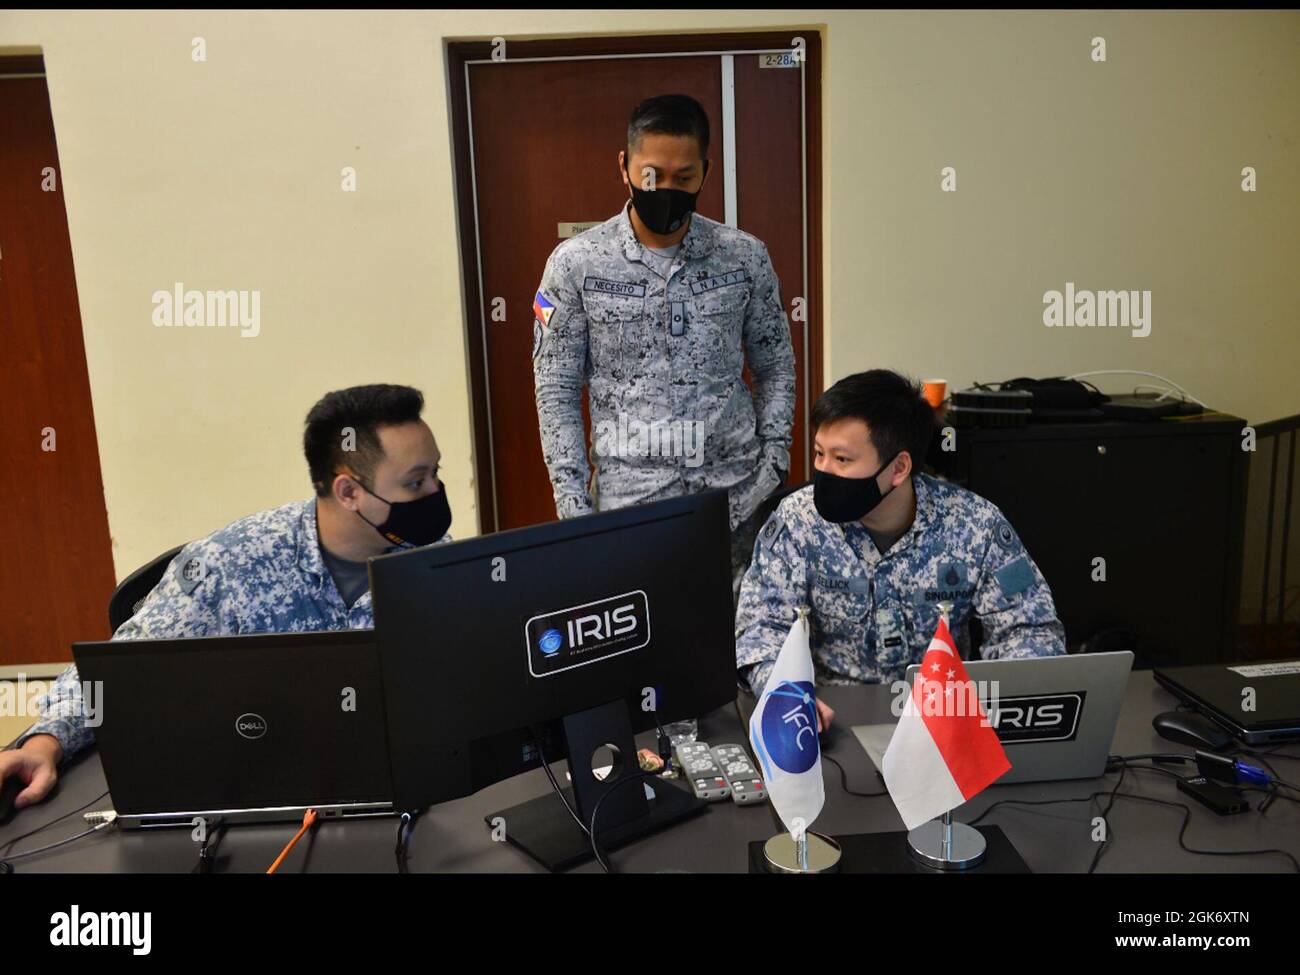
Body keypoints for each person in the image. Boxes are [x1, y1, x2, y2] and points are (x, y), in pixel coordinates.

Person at [0, 383, 450, 810]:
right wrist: (45, 742)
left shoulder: (432, 559)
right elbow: (116, 672)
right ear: (349, 491)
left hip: (407, 793)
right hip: (260, 799)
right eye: (416, 482)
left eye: (436, 473)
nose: (434, 494)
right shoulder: (230, 564)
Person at [532, 93, 796, 597]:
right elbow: (556, 390)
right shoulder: (575, 264)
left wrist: (775, 457)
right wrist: (572, 506)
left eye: (684, 177)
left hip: (737, 500)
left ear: (706, 171)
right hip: (630, 508)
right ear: (625, 167)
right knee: (644, 650)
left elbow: (776, 365)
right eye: (652, 175)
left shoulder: (744, 256)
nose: (667, 189)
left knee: (738, 647)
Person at [736, 369, 1066, 729]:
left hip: (945, 722)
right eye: (819, 454)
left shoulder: (976, 524)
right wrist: (786, 694)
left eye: (842, 459)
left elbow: (1030, 628)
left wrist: (1003, 710)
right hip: (832, 723)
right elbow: (760, 629)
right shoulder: (797, 522)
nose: (823, 471)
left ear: (899, 468)